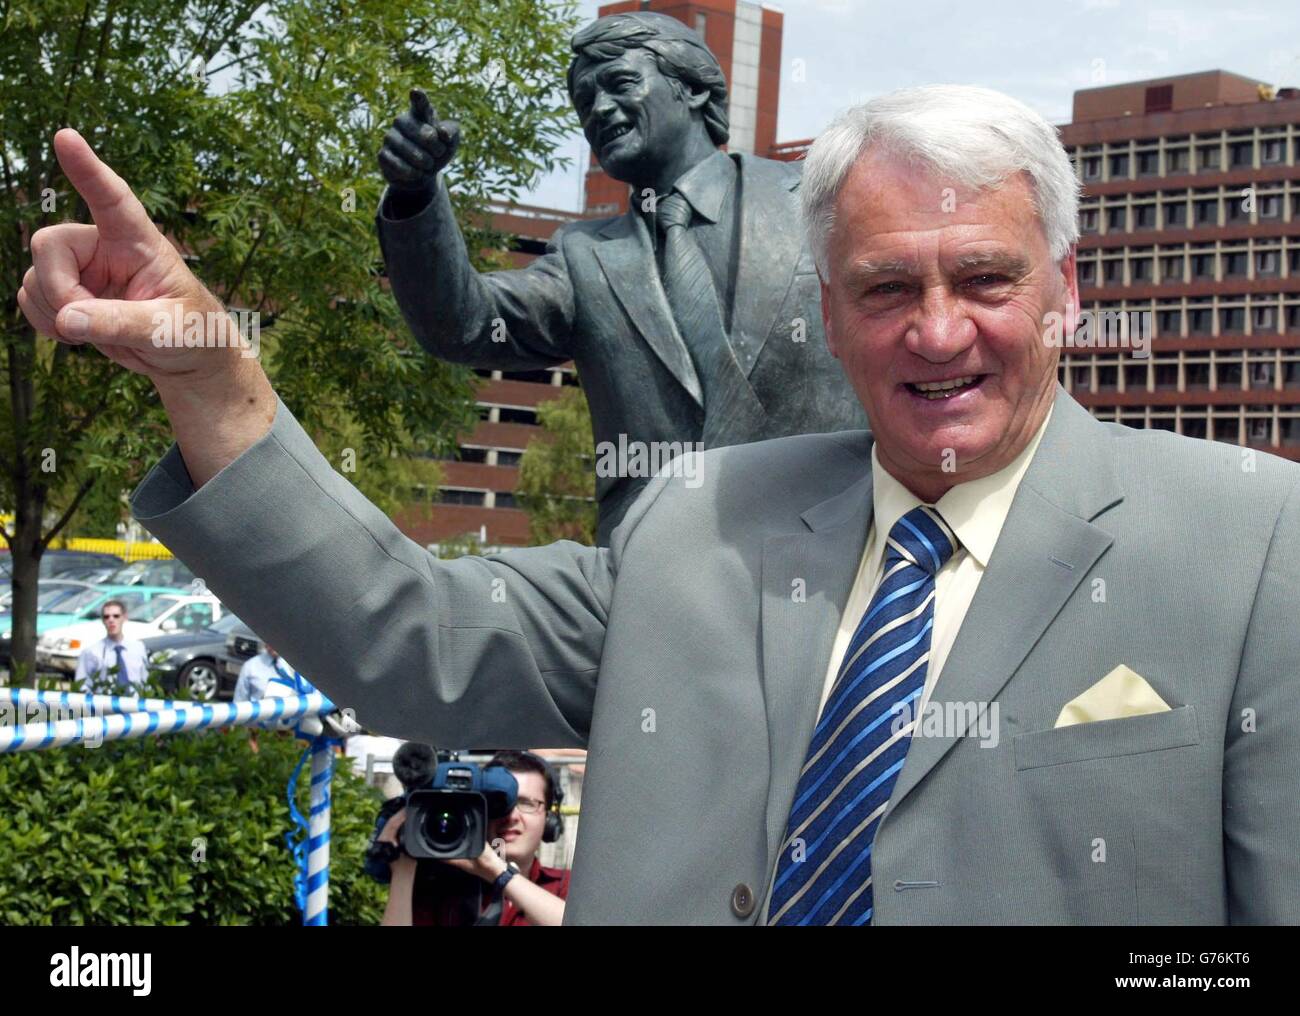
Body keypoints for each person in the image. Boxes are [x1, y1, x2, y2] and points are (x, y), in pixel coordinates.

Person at [20, 84, 1300, 925]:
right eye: (883, 287)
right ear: (829, 307)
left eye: (984, 278)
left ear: (1066, 292)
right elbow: (398, 623)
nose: (937, 330)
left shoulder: (1253, 544)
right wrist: (215, 377)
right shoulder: (695, 521)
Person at [376, 11, 868, 544]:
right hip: (657, 572)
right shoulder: (583, 257)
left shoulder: (819, 200)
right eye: (585, 103)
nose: (599, 111)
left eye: (620, 84)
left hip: (835, 555)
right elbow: (464, 324)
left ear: (694, 91)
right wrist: (415, 193)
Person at [375, 750, 570, 926]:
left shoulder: (567, 886)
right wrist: (403, 870)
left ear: (550, 818)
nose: (511, 816)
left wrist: (498, 873)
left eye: (526, 803)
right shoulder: (441, 888)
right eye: (499, 805)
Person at [74, 599, 149, 694]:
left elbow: (145, 681)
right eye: (106, 617)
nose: (111, 620)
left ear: (124, 617)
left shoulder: (138, 648)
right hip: (105, 704)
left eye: (116, 616)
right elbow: (82, 685)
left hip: (135, 704)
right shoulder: (91, 652)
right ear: (102, 620)